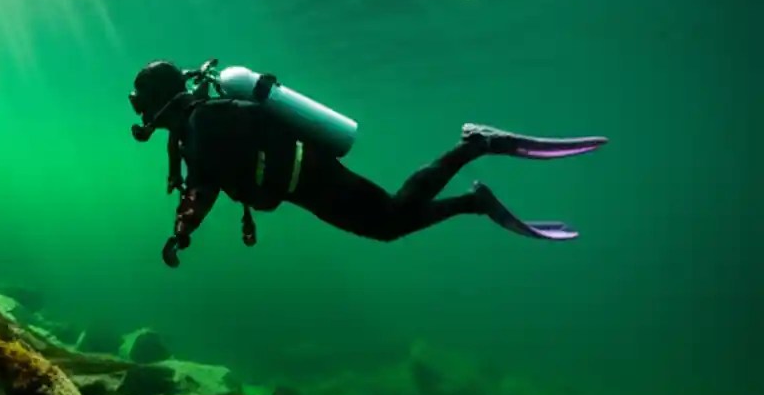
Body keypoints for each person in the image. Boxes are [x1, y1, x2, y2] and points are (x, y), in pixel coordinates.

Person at [127, 60, 608, 268]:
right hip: (304, 186)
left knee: (391, 217)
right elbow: (201, 185)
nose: (142, 116)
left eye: (142, 104)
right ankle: (473, 199)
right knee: (386, 226)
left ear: (158, 102)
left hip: (311, 174)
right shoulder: (193, 132)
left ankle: (474, 147)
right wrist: (183, 229)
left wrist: (184, 231)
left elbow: (208, 182)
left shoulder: (202, 125)